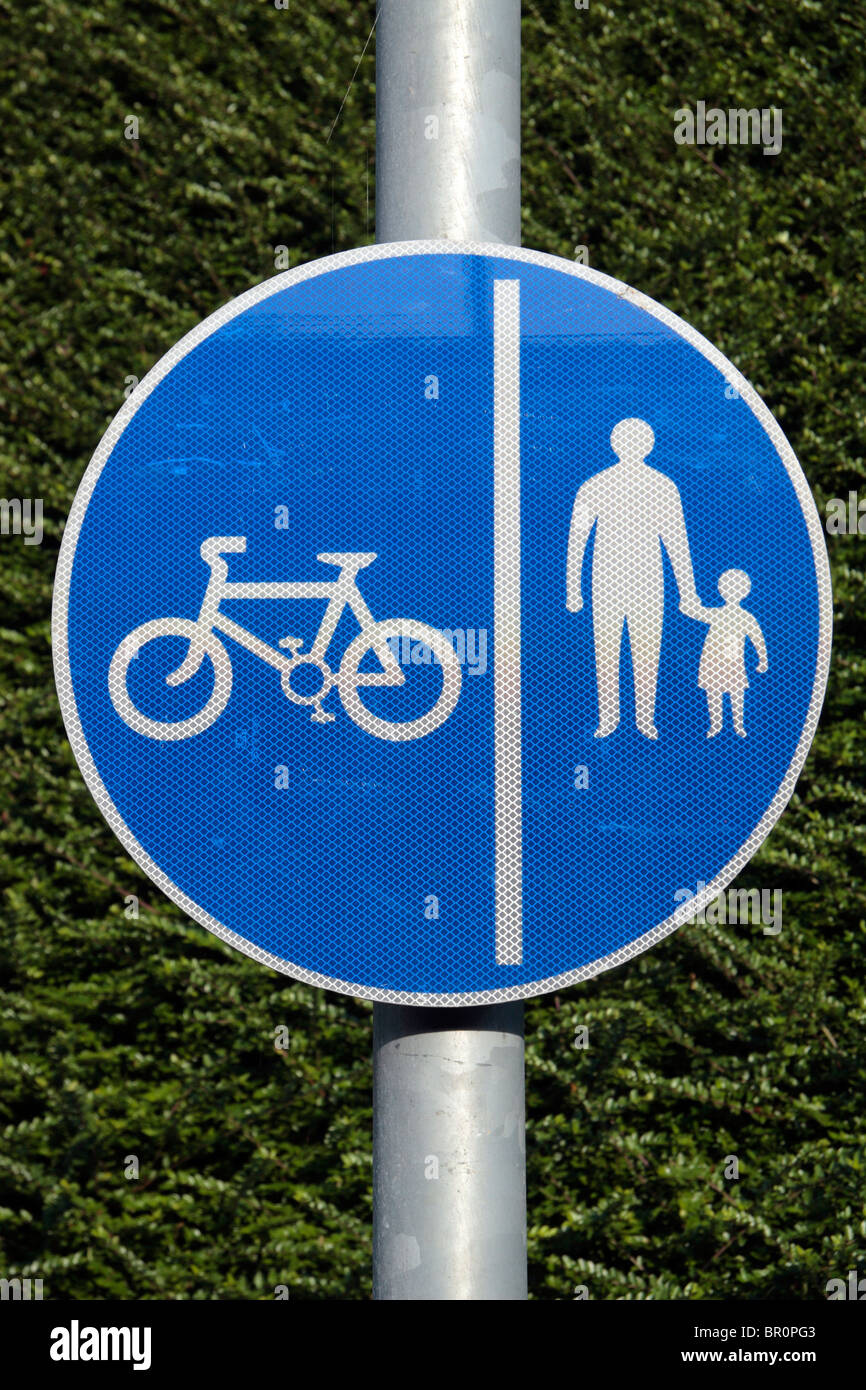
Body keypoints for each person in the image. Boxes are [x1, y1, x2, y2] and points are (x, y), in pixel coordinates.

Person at [566, 417, 702, 739]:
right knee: (607, 649)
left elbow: (676, 541)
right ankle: (608, 717)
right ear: (615, 445)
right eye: (626, 441)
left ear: (649, 445)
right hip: (607, 581)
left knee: (647, 650)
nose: (632, 447)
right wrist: (573, 589)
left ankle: (645, 719)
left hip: (648, 581)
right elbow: (578, 539)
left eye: (638, 441)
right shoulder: (594, 486)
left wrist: (688, 591)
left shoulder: (663, 487)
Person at [695, 569, 768, 737]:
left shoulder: (746, 617)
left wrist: (763, 659)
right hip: (712, 662)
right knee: (713, 692)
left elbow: (757, 638)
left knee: (736, 693)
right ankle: (716, 725)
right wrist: (688, 604)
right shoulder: (717, 614)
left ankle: (739, 726)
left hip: (733, 662)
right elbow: (697, 613)